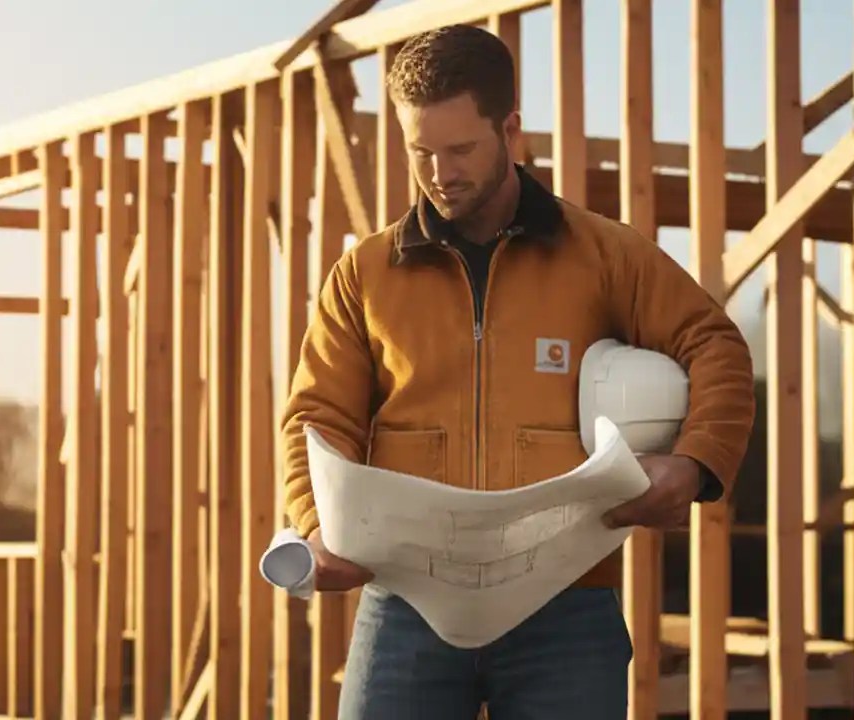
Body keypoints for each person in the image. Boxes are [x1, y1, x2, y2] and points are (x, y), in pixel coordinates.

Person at [279, 24, 755, 718]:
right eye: (421, 152)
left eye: (461, 149)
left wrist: (692, 464)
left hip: (567, 609)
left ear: (510, 130)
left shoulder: (603, 255)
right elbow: (317, 416)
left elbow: (715, 345)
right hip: (407, 603)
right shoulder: (364, 274)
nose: (440, 173)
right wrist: (317, 524)